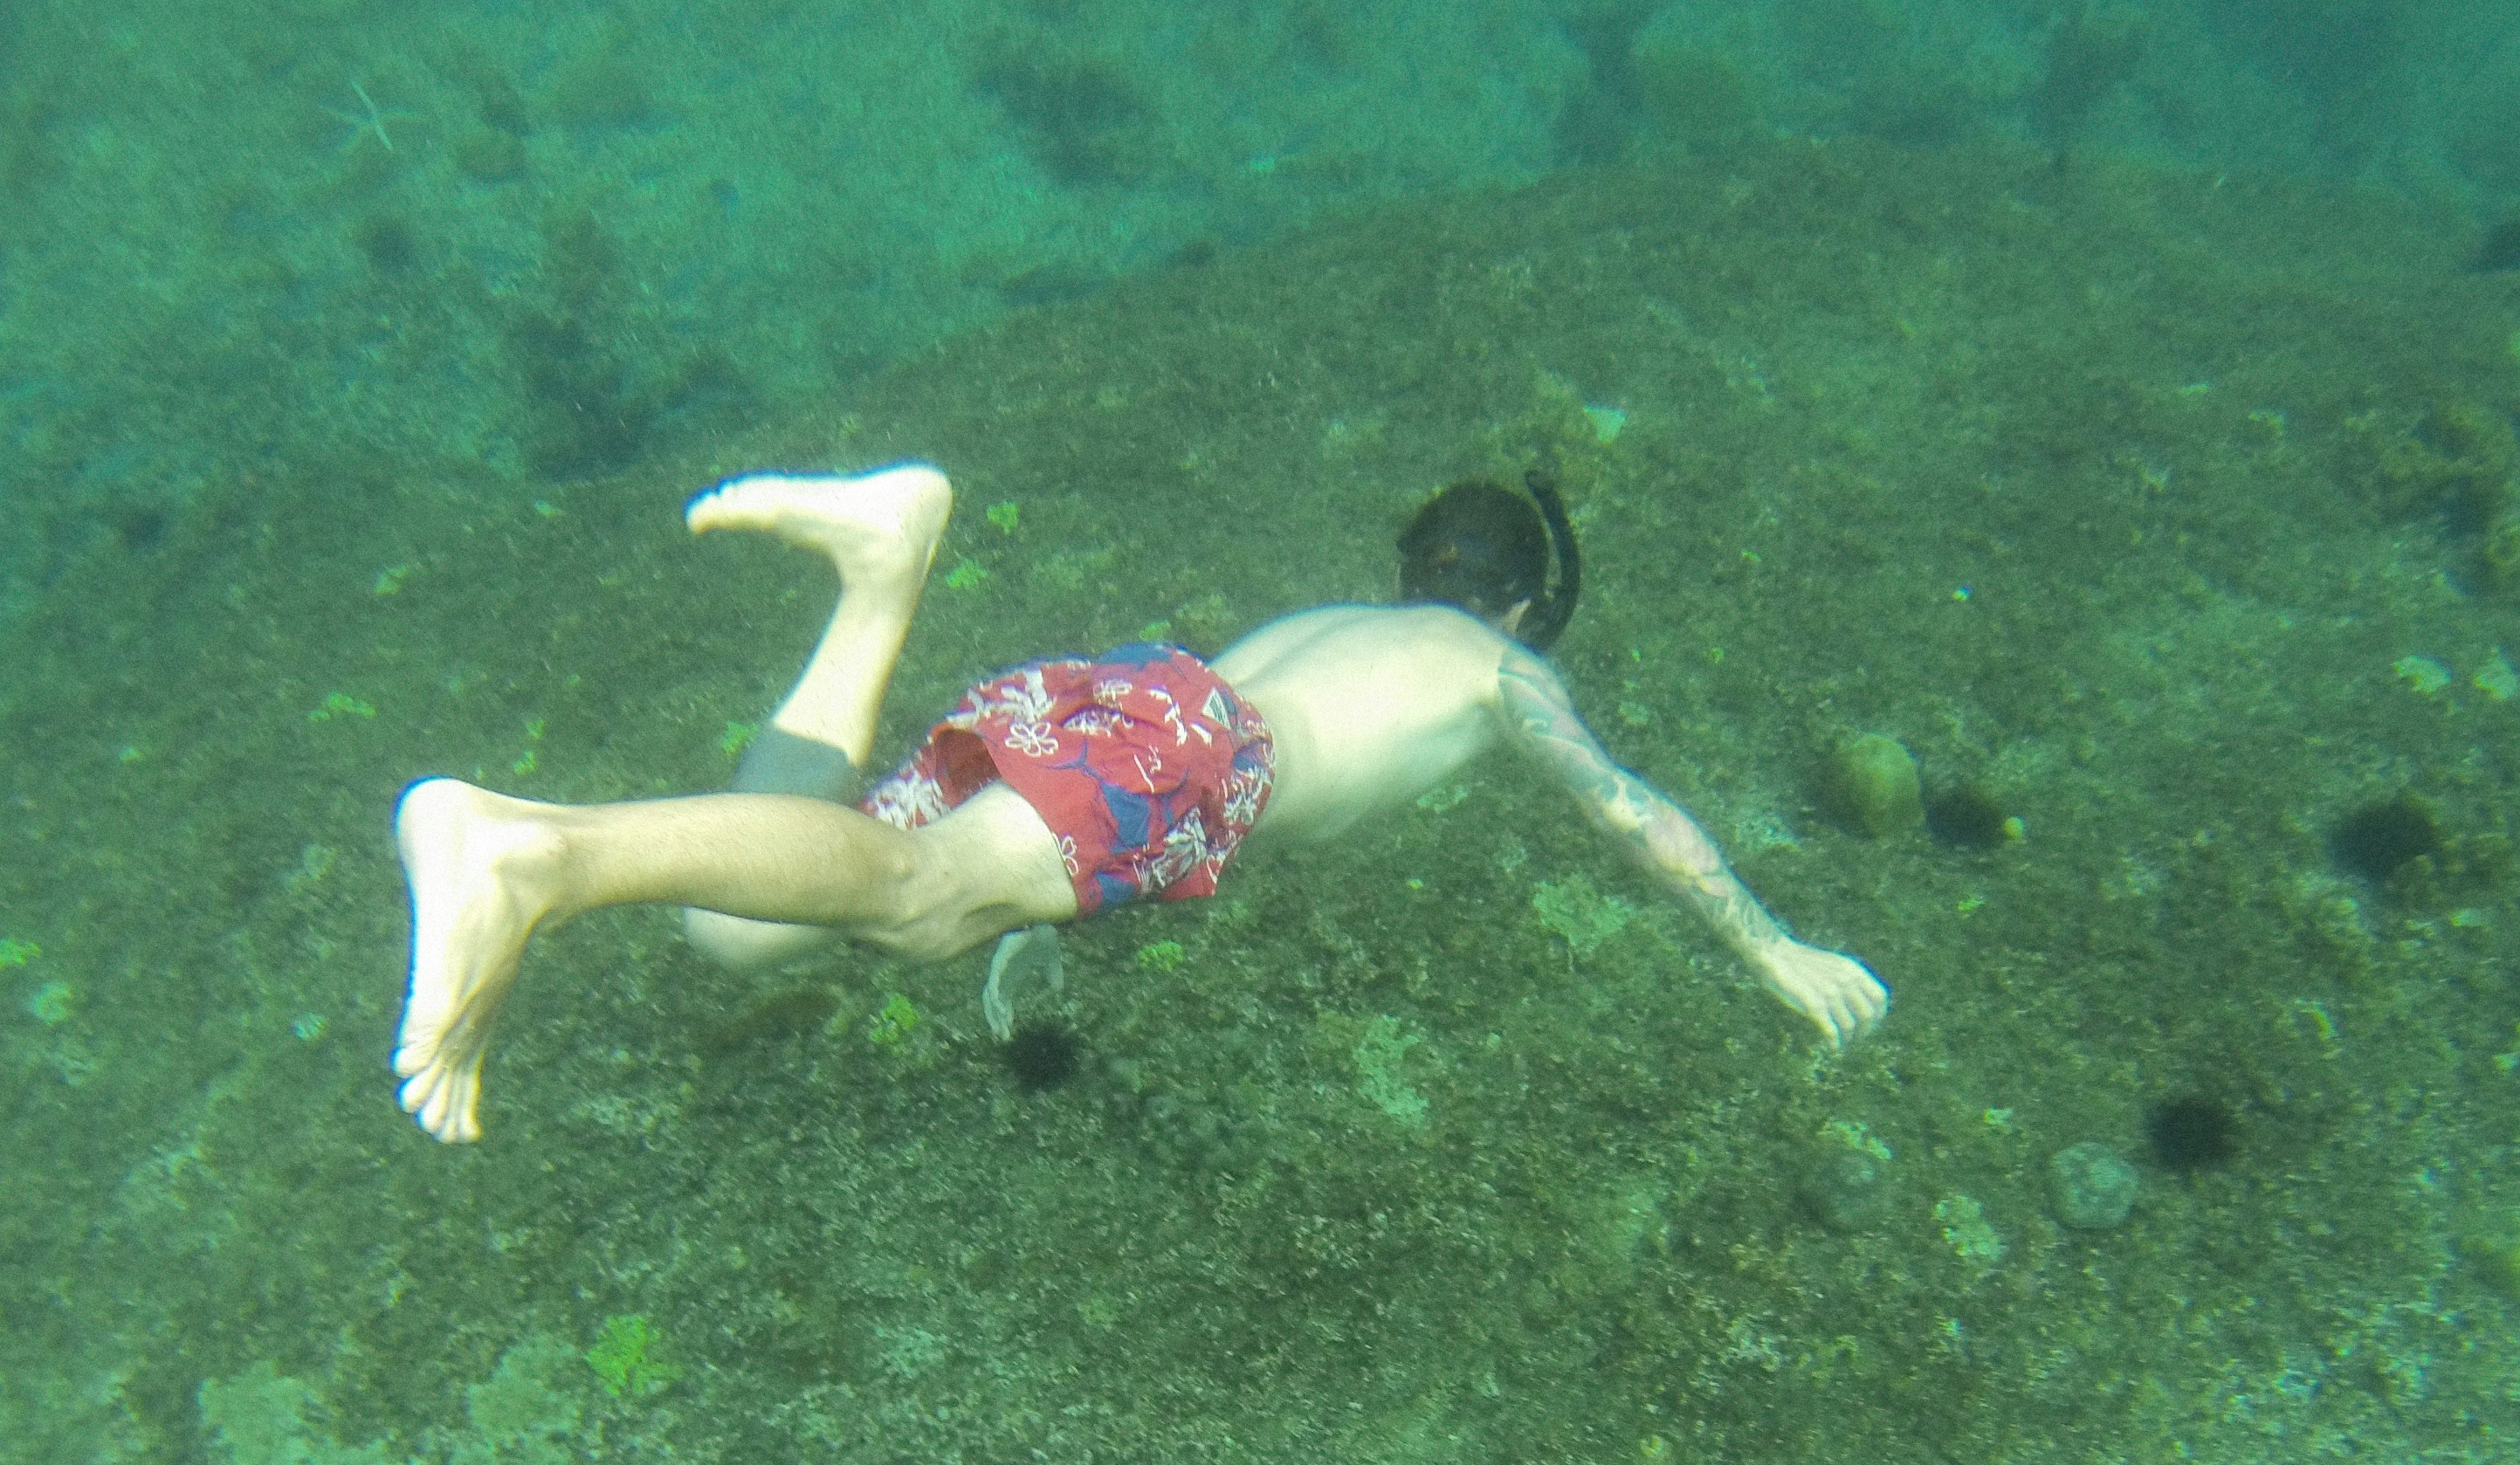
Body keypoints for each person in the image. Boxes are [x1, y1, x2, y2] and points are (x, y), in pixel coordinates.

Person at [390, 464, 1888, 1144]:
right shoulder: (1499, 673)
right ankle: (532, 851)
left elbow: (1147, 772)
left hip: (1144, 695)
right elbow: (1632, 815)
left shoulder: (1345, 619)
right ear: (1518, 603)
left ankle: (883, 573)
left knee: (738, 934)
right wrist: (1773, 951)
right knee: (913, 907)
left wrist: (1040, 909)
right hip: (1204, 761)